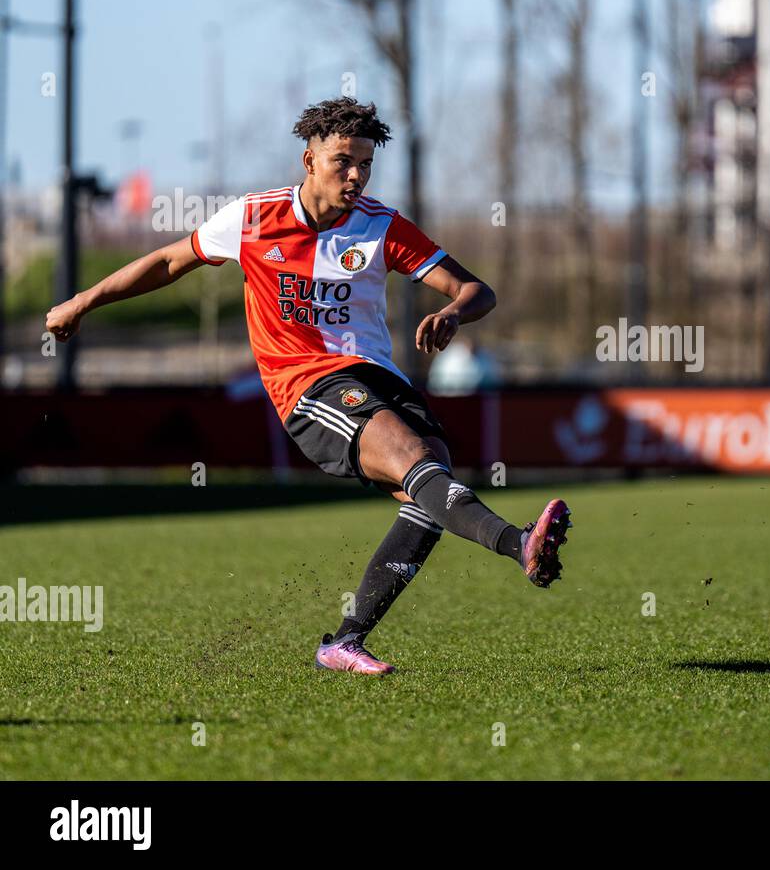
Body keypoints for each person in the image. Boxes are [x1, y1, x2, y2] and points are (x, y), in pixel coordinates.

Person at [44, 97, 572, 675]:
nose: (355, 175)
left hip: (377, 378)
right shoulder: (252, 218)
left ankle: (344, 643)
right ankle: (519, 545)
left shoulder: (380, 226)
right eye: (343, 161)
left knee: (428, 488)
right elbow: (170, 263)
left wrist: (453, 314)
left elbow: (478, 290)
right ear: (308, 159)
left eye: (365, 164)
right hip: (306, 386)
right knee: (414, 457)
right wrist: (83, 300)